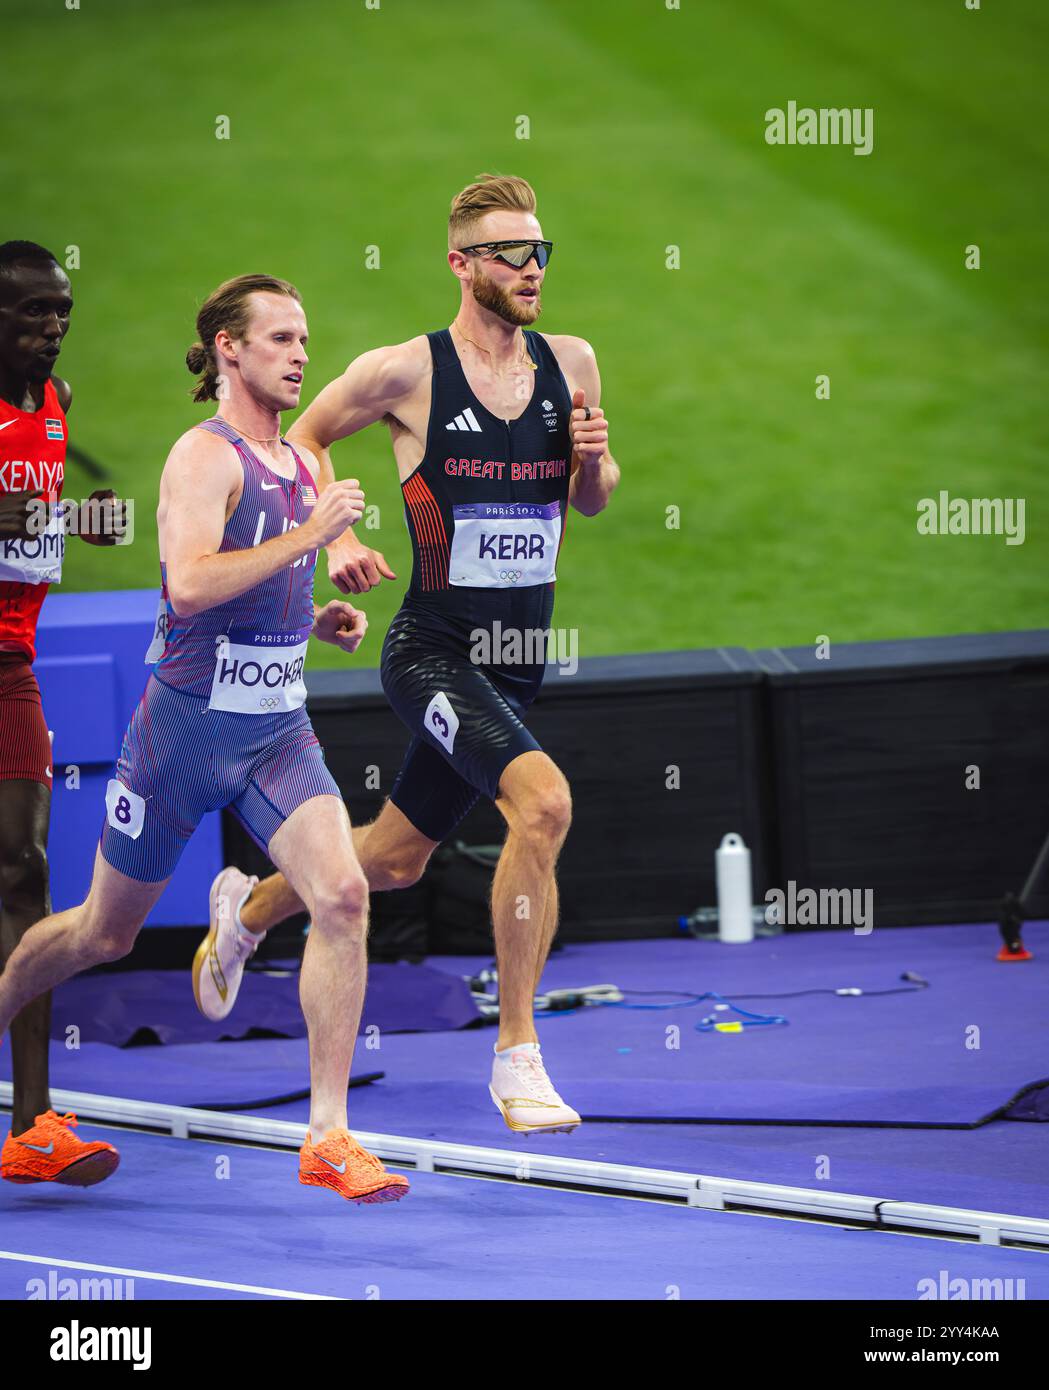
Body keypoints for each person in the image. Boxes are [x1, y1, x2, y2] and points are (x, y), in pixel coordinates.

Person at [193, 175, 620, 1136]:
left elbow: (590, 501)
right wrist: (335, 538)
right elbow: (302, 434)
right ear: (461, 264)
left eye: (540, 251)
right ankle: (518, 1057)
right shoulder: (406, 372)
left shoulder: (573, 362)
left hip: (517, 656)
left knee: (392, 859)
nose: (531, 269)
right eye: (510, 253)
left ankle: (249, 910)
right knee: (542, 803)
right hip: (430, 650)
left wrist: (593, 459)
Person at [0, 272, 408, 1204]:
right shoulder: (202, 456)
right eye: (280, 339)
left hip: (275, 731)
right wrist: (309, 535)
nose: (301, 354)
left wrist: (320, 621)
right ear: (229, 348)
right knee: (102, 936)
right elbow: (186, 587)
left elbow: (264, 593)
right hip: (180, 735)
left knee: (342, 892)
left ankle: (329, 1135)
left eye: (305, 338)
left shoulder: (305, 463)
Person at [0, 240, 123, 1186]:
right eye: (32, 314)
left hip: (12, 666)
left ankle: (33, 1120)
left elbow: (33, 526)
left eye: (62, 314)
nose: (50, 330)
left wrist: (81, 522)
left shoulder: (56, 405)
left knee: (24, 872)